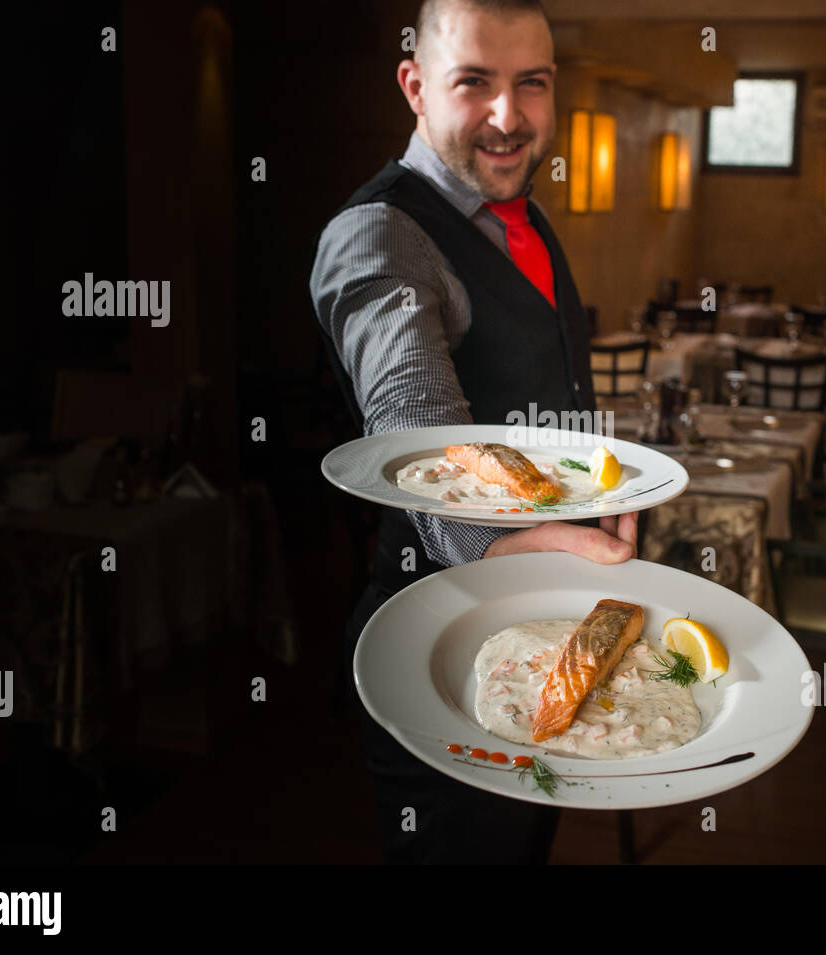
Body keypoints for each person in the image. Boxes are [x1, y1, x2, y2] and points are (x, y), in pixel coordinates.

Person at [309, 0, 637, 863]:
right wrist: (508, 546)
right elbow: (419, 424)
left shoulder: (523, 208)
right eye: (474, 84)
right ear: (415, 87)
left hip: (545, 635)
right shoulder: (380, 233)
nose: (509, 115)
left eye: (532, 83)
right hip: (442, 655)